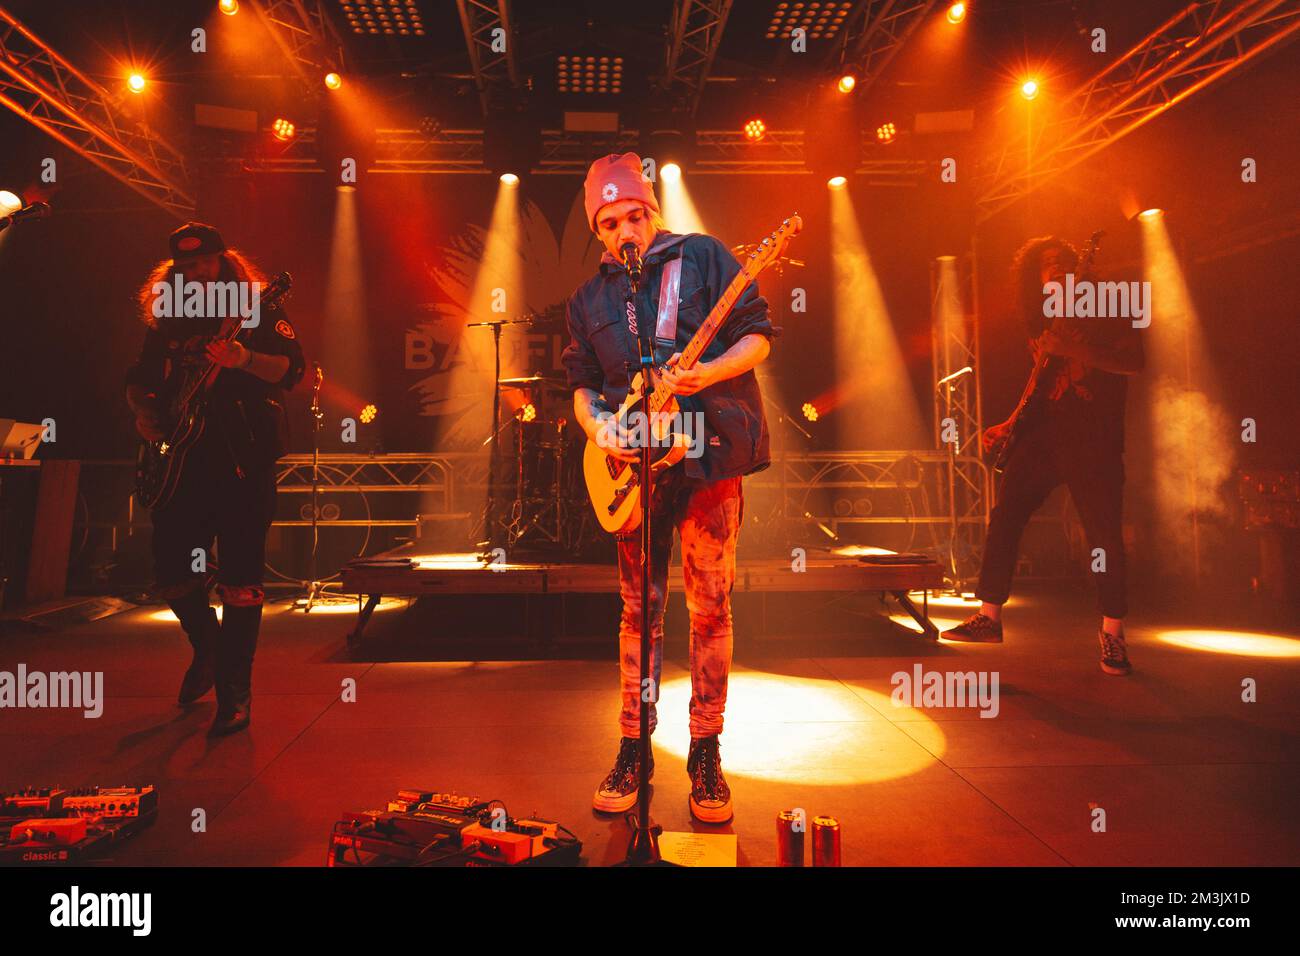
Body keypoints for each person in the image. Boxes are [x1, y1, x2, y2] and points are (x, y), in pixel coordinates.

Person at [562, 153, 777, 822]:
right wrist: (600, 428)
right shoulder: (589, 300)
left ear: (652, 211)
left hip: (709, 457)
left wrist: (707, 373)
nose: (624, 231)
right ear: (598, 231)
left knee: (710, 608)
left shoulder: (705, 257)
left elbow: (758, 336)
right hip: (636, 471)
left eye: (634, 216)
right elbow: (581, 384)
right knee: (638, 611)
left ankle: (705, 752)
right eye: (609, 224)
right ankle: (634, 746)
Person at [126, 222, 305, 734]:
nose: (197, 272)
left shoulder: (256, 306)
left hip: (242, 458)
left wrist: (243, 358)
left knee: (242, 579)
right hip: (183, 463)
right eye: (186, 267)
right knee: (170, 569)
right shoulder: (169, 315)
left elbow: (292, 370)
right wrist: (143, 410)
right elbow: (140, 377)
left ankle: (234, 695)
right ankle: (208, 647)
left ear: (224, 260)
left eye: (205, 262)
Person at [943, 236, 1143, 675]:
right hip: (1044, 434)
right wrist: (1010, 423)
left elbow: (1134, 362)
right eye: (1046, 264)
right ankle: (989, 617)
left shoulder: (1109, 307)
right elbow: (1039, 380)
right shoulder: (1043, 320)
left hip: (1094, 436)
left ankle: (1113, 634)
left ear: (1080, 269)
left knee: (1103, 535)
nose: (1056, 269)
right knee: (1006, 515)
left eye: (1063, 262)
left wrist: (1075, 349)